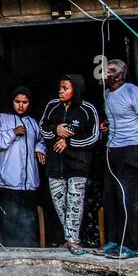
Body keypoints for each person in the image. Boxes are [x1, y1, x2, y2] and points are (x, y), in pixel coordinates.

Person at [98, 59, 138, 259]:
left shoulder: (133, 92)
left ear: (121, 75)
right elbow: (117, 118)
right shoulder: (107, 94)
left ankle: (130, 244)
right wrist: (106, 125)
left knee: (130, 197)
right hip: (112, 149)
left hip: (132, 148)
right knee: (111, 196)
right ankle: (114, 240)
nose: (107, 73)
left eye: (111, 71)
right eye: (106, 70)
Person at [38, 73, 100, 254]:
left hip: (78, 165)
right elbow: (42, 128)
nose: (61, 91)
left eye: (65, 88)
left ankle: (73, 240)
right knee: (60, 205)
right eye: (60, 88)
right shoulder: (52, 107)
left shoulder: (87, 109)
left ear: (76, 89)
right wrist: (55, 130)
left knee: (75, 203)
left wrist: (70, 142)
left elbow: (94, 137)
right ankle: (69, 236)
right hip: (55, 165)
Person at [0, 86, 45, 247]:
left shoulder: (33, 122)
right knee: (11, 220)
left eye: (25, 102)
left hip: (29, 183)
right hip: (9, 182)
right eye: (17, 102)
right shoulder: (2, 119)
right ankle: (11, 248)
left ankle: (29, 248)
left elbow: (41, 140)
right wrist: (12, 133)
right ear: (12, 101)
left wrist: (39, 148)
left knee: (28, 220)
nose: (21, 105)